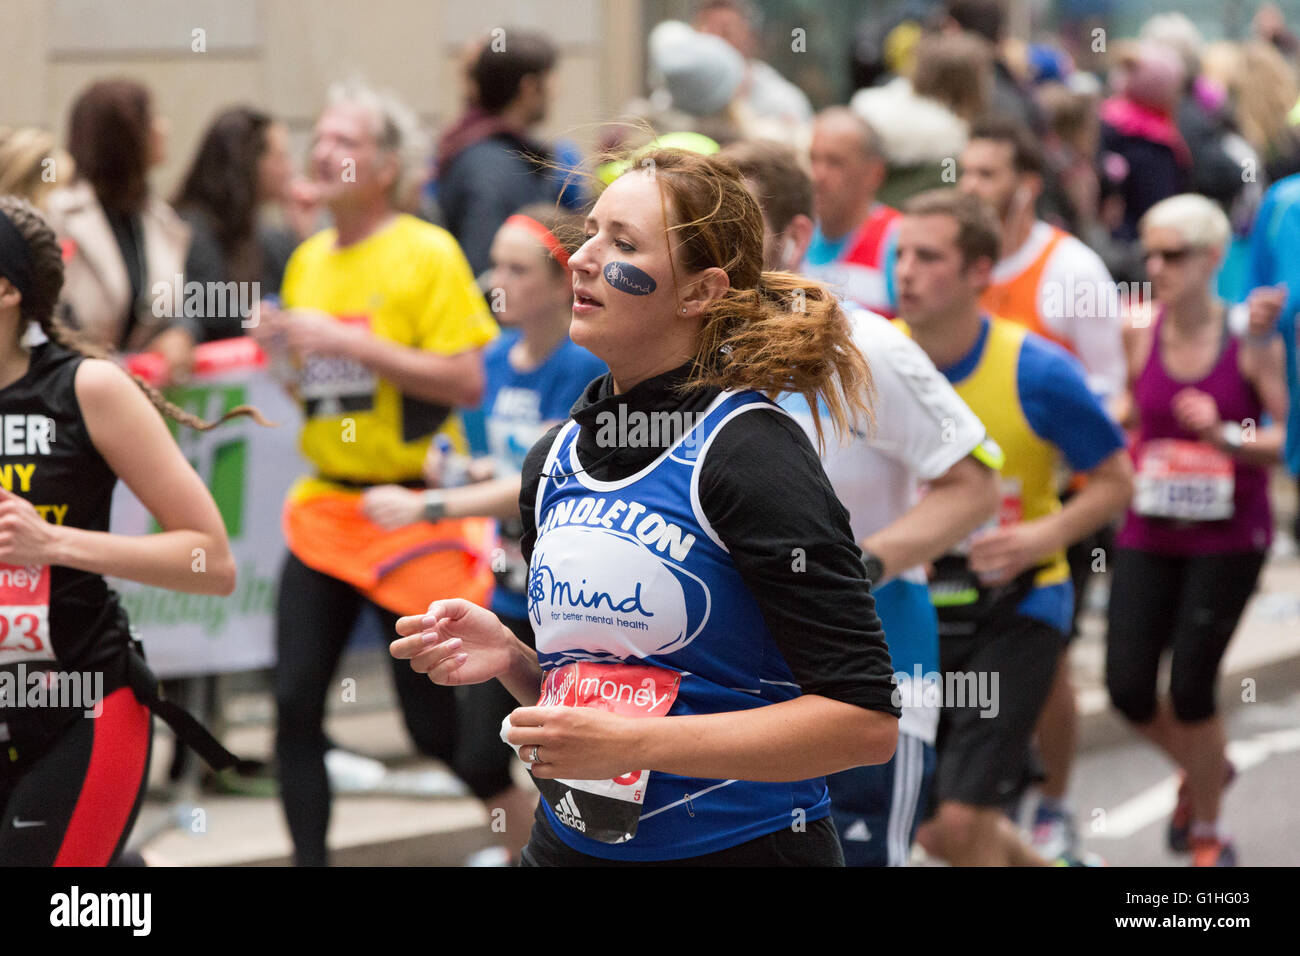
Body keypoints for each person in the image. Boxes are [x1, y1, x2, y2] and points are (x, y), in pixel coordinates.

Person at [392, 147, 901, 866]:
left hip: (741, 849)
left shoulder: (750, 454)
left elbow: (863, 722)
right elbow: (615, 707)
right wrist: (514, 662)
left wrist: (636, 745)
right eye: (590, 233)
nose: (582, 259)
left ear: (699, 293)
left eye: (622, 244)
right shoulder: (555, 460)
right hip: (570, 844)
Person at [725, 138, 1001, 866]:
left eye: (743, 221)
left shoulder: (865, 347)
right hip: (737, 690)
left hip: (871, 676)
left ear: (797, 235)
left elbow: (975, 486)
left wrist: (859, 567)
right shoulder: (693, 359)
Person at [251, 81, 499, 867]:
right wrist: (285, 358)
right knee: (292, 705)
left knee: (435, 732)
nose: (324, 152)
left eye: (346, 141)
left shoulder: (428, 251)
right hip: (326, 513)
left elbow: (464, 381)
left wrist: (349, 343)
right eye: (320, 137)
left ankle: (521, 814)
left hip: (413, 514)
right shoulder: (308, 260)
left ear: (387, 166)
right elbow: (324, 399)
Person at [0, 195, 262, 865]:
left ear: (7, 290)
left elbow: (212, 560)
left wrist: (53, 544)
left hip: (79, 704)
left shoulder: (86, 390)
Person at [893, 190, 1133, 867]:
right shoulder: (875, 363)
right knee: (933, 826)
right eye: (900, 254)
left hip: (1020, 602)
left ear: (979, 273)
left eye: (928, 256)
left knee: (964, 821)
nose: (905, 271)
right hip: (917, 608)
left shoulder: (1039, 370)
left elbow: (1117, 482)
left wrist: (1037, 536)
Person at [360, 203, 605, 864]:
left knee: (553, 752)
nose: (494, 282)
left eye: (516, 269)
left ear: (562, 285)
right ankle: (531, 847)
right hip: (502, 583)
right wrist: (458, 471)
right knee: (467, 750)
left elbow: (546, 473)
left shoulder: (587, 367)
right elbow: (494, 465)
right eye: (493, 264)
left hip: (569, 591)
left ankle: (560, 849)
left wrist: (433, 503)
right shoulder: (493, 361)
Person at [1107, 195, 1287, 867]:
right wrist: (1113, 422)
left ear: (1215, 257)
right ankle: (1210, 767)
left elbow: (1284, 435)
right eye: (1150, 253)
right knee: (1126, 687)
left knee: (1190, 689)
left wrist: (1225, 434)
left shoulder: (1251, 340)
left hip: (1228, 538)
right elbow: (1130, 403)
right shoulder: (1139, 329)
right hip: (1149, 530)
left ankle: (1209, 831)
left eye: (1173, 254)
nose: (1156, 266)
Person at [44, 79, 194, 383]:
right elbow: (47, 322)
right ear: (123, 136)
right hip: (73, 400)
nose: (164, 127)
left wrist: (182, 332)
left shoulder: (162, 220)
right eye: (152, 118)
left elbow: (177, 304)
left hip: (148, 397)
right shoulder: (56, 217)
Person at [436, 31, 566, 278]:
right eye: (551, 81)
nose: (557, 92)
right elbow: (485, 271)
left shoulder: (487, 151)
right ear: (529, 87)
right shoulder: (490, 165)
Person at [171, 107, 299, 342]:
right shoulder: (189, 228)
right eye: (280, 158)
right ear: (248, 162)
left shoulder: (266, 235)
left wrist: (301, 233)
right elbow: (200, 303)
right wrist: (249, 319)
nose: (290, 169)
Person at [802, 107, 900, 316]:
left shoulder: (898, 240)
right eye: (813, 159)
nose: (817, 175)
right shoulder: (794, 233)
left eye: (835, 162)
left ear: (874, 174)